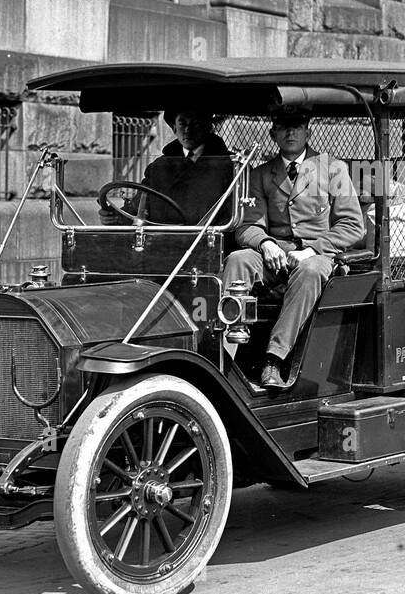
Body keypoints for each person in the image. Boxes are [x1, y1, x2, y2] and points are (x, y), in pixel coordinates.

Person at [224, 105, 365, 389]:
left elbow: (353, 226)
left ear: (307, 131)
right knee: (239, 259)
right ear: (273, 133)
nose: (290, 132)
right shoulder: (260, 174)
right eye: (284, 126)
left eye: (297, 126)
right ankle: (222, 350)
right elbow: (247, 225)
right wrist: (264, 244)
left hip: (319, 255)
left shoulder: (332, 168)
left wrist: (313, 249)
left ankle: (274, 359)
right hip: (275, 255)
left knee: (310, 271)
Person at [99, 109, 234, 226]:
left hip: (206, 243)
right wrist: (116, 217)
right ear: (174, 128)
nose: (187, 130)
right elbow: (138, 207)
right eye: (182, 124)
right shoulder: (159, 167)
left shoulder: (228, 166)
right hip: (161, 243)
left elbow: (230, 217)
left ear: (207, 127)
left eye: (195, 123)